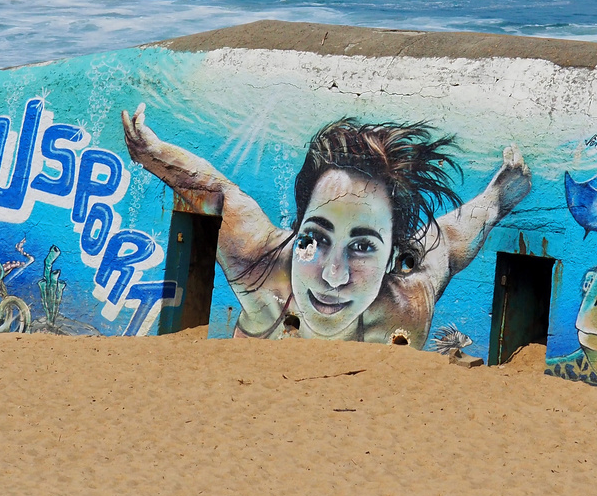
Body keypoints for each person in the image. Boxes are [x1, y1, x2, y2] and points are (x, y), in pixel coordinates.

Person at [121, 106, 532, 346]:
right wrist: (150, 153)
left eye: (364, 246)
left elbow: (450, 243)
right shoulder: (262, 268)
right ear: (296, 228)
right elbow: (218, 193)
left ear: (393, 257)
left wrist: (496, 198)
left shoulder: (405, 310)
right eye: (314, 238)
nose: (333, 275)